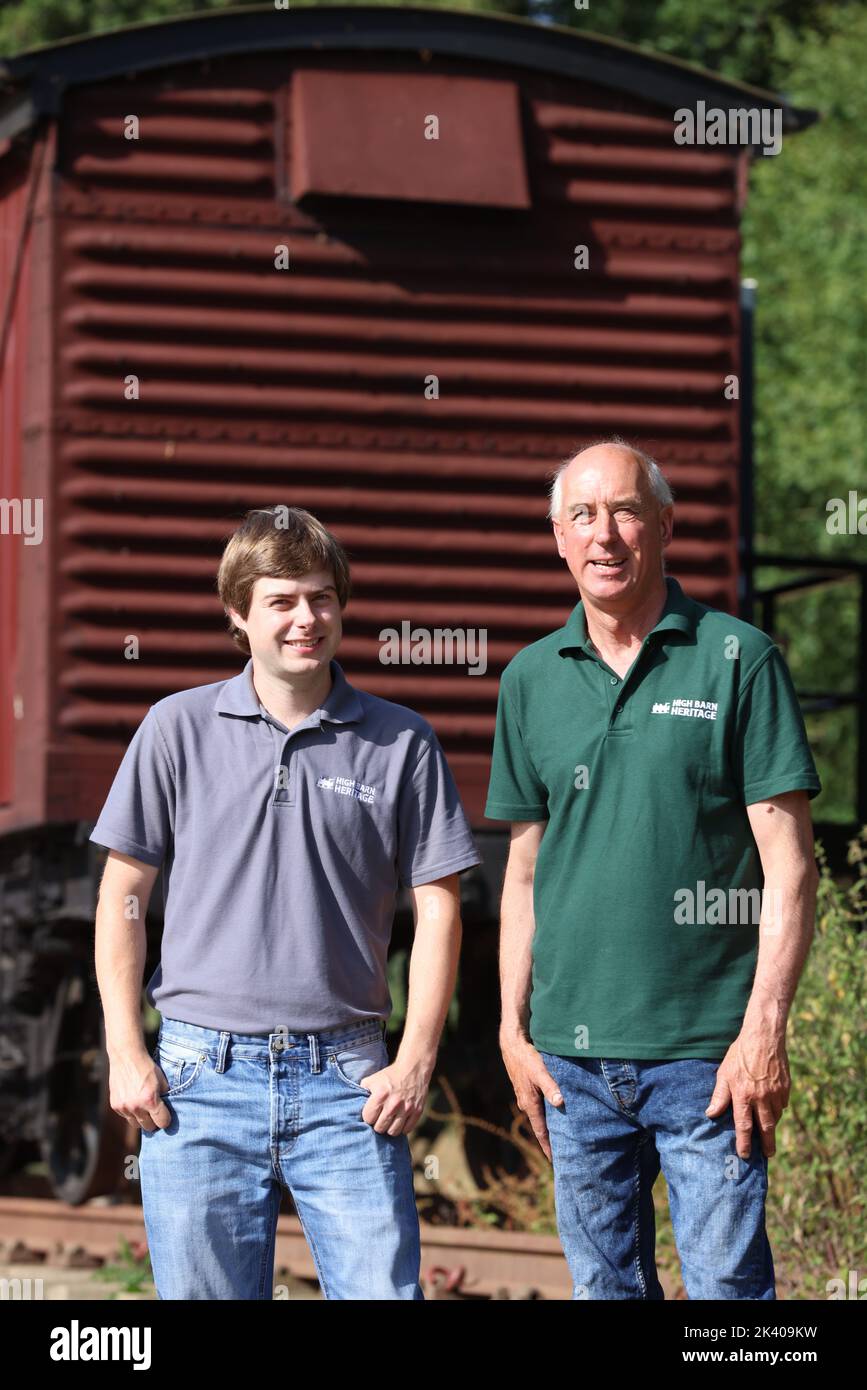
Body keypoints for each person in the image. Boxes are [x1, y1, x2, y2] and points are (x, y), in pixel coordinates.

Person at [91, 505, 480, 1300]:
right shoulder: (175, 729)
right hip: (201, 1082)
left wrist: (415, 1060)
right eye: (282, 601)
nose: (307, 619)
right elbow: (121, 897)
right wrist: (127, 1052)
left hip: (350, 1083)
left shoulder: (401, 740)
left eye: (322, 598)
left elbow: (439, 907)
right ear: (238, 614)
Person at [485, 438, 820, 1300]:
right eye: (583, 516)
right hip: (571, 1067)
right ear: (558, 537)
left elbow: (789, 868)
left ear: (664, 525)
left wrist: (762, 1034)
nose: (606, 536)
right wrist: (511, 1034)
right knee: (606, 1293)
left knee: (728, 1298)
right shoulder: (528, 679)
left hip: (707, 1061)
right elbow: (522, 873)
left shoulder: (738, 659)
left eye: (627, 511)